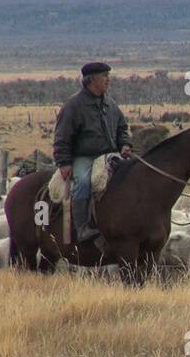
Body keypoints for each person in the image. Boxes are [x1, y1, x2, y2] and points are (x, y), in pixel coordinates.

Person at [52, 62, 133, 246]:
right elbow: (62, 137)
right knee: (82, 182)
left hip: (111, 155)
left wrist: (125, 144)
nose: (108, 80)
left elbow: (122, 127)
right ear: (91, 80)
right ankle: (82, 228)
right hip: (84, 157)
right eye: (104, 76)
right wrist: (64, 163)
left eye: (108, 76)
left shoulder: (110, 103)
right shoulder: (74, 106)